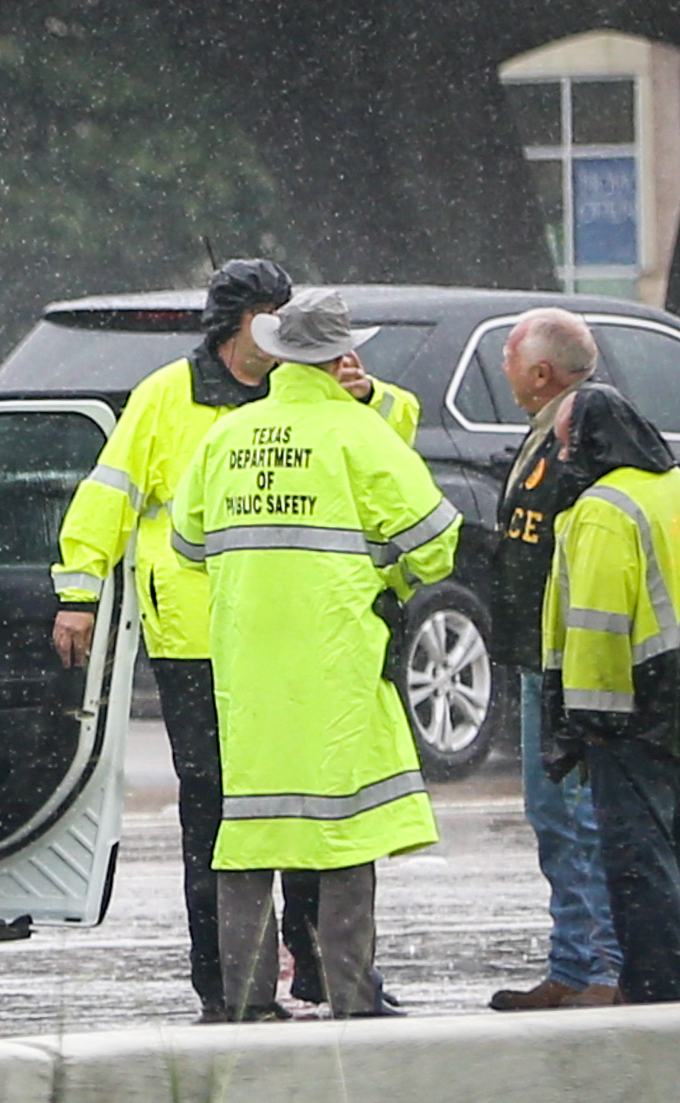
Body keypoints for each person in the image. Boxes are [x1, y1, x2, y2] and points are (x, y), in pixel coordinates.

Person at [50, 260, 420, 1020]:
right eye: (268, 312)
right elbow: (108, 494)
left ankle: (323, 971)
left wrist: (370, 395)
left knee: (319, 806)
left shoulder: (317, 391)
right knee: (217, 819)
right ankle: (225, 985)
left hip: (300, 637)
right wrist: (79, 591)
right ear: (231, 324)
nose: (281, 326)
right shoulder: (165, 399)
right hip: (199, 640)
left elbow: (393, 452)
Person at [172, 288, 460, 1020]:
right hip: (335, 656)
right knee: (343, 827)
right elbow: (436, 542)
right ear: (339, 357)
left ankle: (245, 1001)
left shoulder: (228, 437)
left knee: (247, 834)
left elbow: (187, 542)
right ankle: (350, 995)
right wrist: (381, 562)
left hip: (246, 664)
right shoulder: (356, 432)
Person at [542, 383, 680, 1004]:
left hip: (636, 700)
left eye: (563, 441)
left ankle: (657, 988)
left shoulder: (603, 509)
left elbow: (599, 625)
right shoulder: (677, 486)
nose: (559, 452)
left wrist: (587, 721)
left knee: (638, 857)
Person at [486, 310, 620, 1010]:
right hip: (541, 654)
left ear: (541, 373)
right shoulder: (550, 433)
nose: (505, 370)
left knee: (577, 814)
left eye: (510, 359)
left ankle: (601, 967)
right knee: (554, 812)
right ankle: (574, 963)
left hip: (569, 659)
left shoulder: (581, 438)